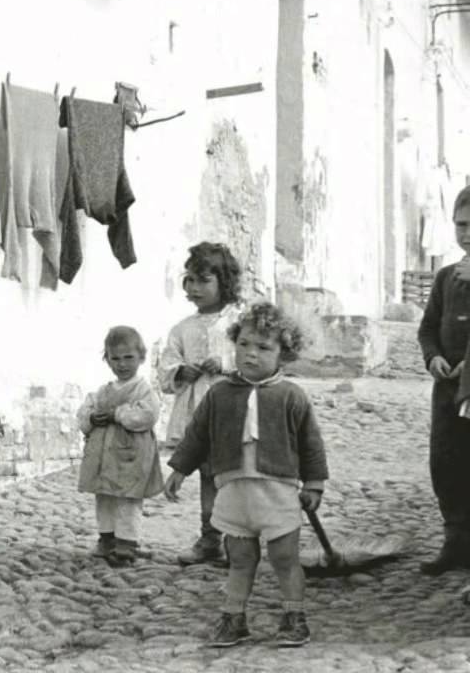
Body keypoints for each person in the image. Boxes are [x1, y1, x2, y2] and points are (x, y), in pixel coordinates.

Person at [164, 303, 328, 648]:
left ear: (284, 354)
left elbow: (310, 442)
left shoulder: (291, 397)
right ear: (234, 344)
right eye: (244, 344)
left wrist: (314, 483)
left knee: (285, 558)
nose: (251, 354)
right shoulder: (219, 394)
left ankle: (294, 616)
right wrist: (180, 469)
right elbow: (198, 434)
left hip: (277, 493)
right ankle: (233, 617)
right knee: (239, 559)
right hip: (234, 492)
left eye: (264, 348)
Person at [158, 242, 245, 566]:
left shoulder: (238, 323)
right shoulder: (182, 329)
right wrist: (182, 370)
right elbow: (165, 372)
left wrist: (224, 363)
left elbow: (257, 359)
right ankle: (210, 538)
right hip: (199, 415)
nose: (194, 288)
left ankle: (239, 539)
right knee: (209, 474)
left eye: (203, 280)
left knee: (236, 477)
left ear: (224, 282)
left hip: (235, 413)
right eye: (190, 280)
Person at [77, 326, 164, 566]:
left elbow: (147, 415)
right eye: (115, 358)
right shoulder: (102, 391)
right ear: (107, 359)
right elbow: (84, 412)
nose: (122, 364)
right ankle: (107, 538)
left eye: (129, 358)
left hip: (130, 455)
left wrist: (118, 414)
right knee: (104, 496)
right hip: (104, 456)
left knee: (128, 498)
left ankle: (127, 543)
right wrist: (92, 418)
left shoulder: (143, 390)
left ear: (141, 357)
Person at [417, 183, 470, 575]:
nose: (465, 233)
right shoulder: (446, 277)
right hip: (448, 391)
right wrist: (433, 356)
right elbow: (428, 327)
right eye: (460, 225)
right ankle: (456, 542)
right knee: (447, 463)